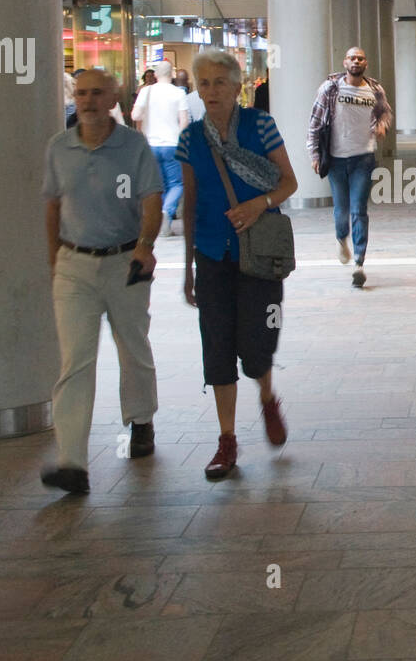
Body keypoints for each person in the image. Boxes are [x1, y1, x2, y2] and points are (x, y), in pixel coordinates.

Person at [40, 68, 163, 494]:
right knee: (75, 360)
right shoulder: (59, 147)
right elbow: (52, 207)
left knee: (132, 348)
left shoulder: (134, 147)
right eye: (82, 93)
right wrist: (54, 260)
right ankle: (71, 459)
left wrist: (145, 245)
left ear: (113, 98)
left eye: (97, 93)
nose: (88, 101)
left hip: (125, 261)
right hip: (75, 264)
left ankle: (141, 420)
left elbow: (151, 199)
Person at [180, 48, 299, 479]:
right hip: (212, 254)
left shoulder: (259, 125)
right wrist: (188, 266)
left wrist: (258, 204)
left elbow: (290, 181)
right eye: (204, 83)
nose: (211, 90)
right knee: (217, 349)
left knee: (257, 343)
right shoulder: (190, 139)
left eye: (219, 82)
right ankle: (226, 441)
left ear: (237, 87)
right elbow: (190, 202)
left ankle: (267, 396)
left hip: (260, 255)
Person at [308, 47, 393, 288]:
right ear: (345, 62)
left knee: (359, 209)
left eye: (361, 58)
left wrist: (382, 126)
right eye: (352, 58)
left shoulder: (374, 89)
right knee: (341, 209)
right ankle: (340, 238)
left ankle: (359, 263)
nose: (356, 61)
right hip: (335, 158)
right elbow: (314, 122)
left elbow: (385, 113)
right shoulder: (331, 89)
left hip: (363, 158)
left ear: (366, 63)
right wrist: (314, 154)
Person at [131, 60, 189, 238]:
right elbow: (184, 121)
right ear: (171, 74)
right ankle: (166, 212)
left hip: (151, 144)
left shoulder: (146, 92)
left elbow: (135, 115)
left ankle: (160, 219)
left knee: (159, 184)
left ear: (155, 75)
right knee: (177, 183)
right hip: (172, 144)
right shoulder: (178, 93)